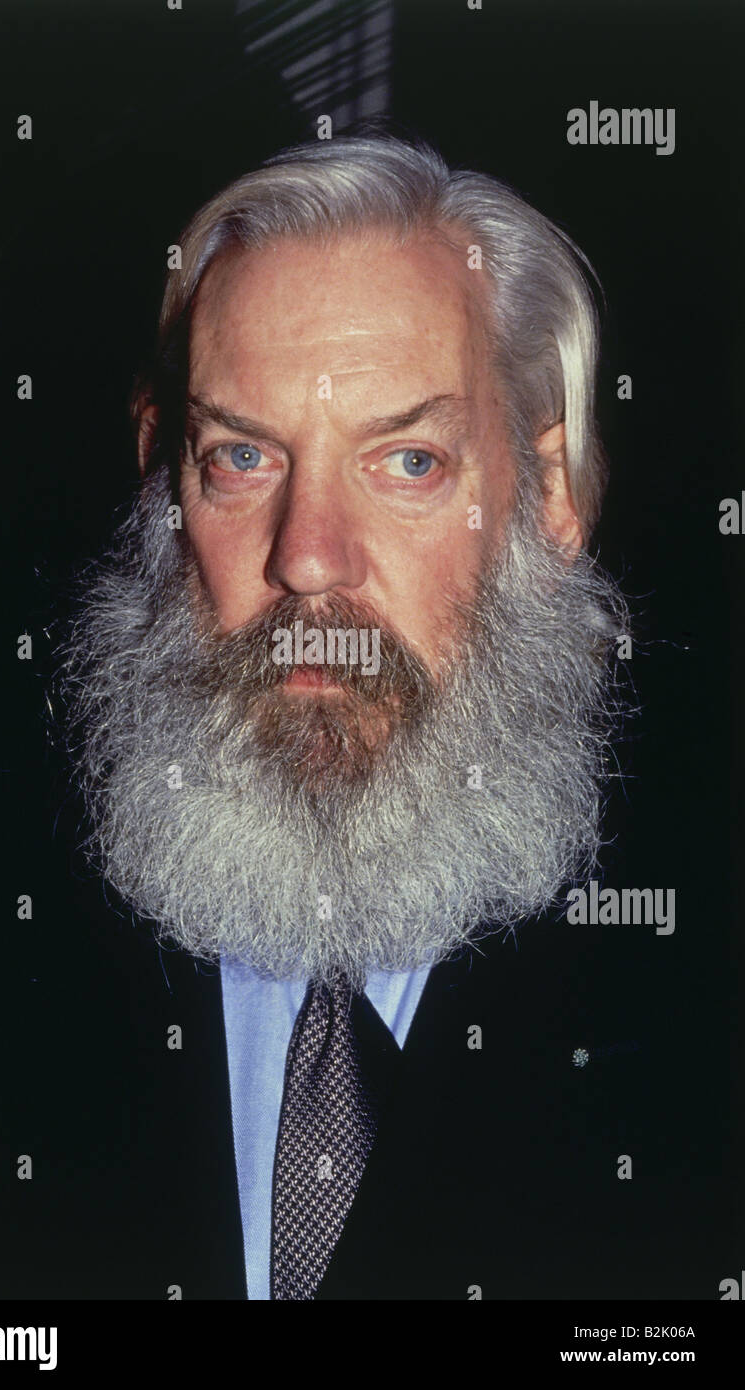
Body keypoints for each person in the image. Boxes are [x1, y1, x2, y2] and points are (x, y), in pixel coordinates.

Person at [45, 135, 695, 1301]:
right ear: (163, 476)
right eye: (240, 455)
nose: (305, 559)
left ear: (544, 499)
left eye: (405, 461)